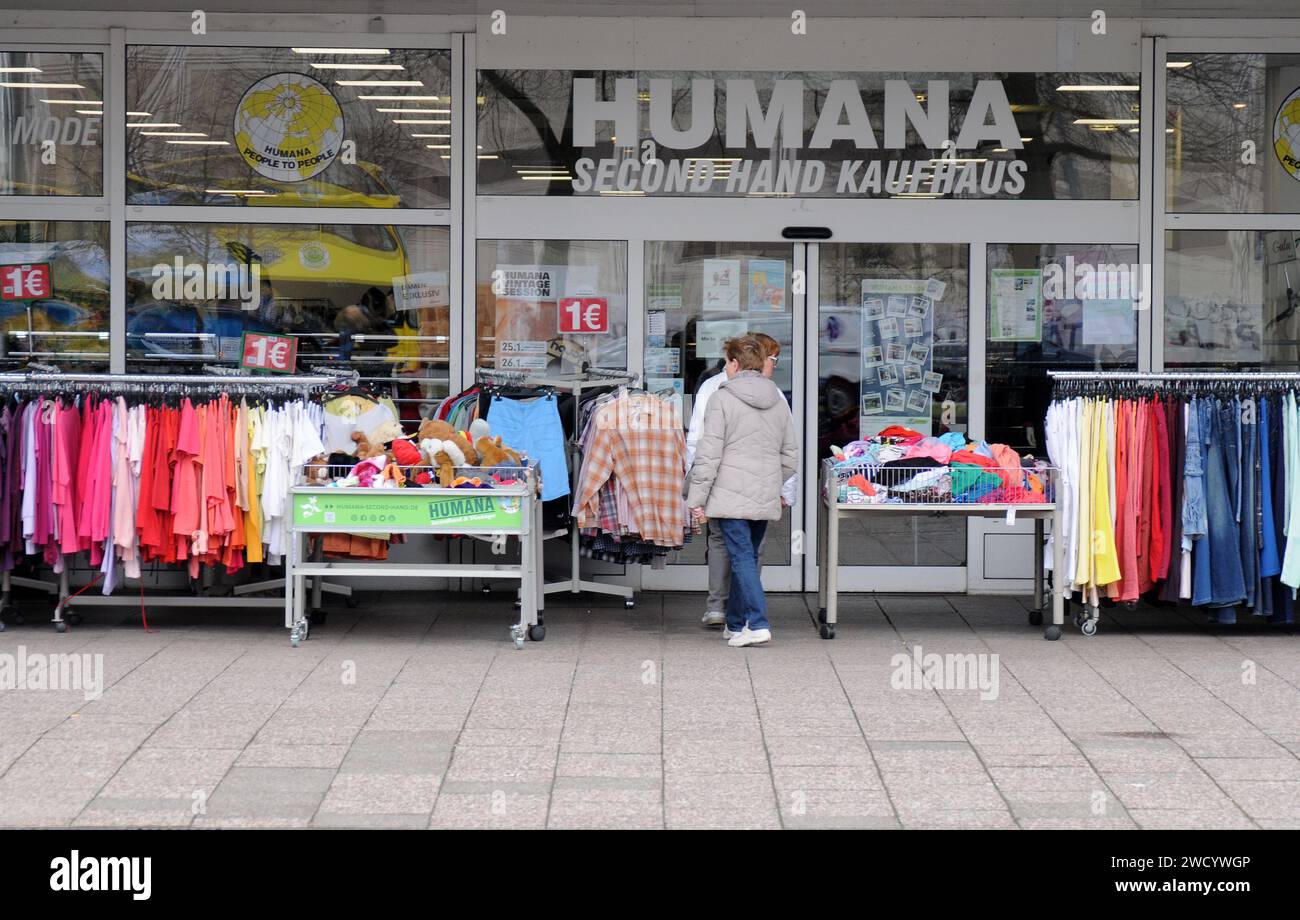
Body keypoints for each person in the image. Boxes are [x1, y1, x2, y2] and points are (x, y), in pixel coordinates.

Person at [686, 335, 798, 648]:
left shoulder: (721, 398)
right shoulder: (778, 398)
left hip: (728, 496)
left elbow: (708, 455)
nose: (725, 367)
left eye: (727, 362)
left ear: (735, 364)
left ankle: (757, 622)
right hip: (763, 495)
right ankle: (735, 625)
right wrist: (773, 482)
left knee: (741, 559)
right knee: (745, 556)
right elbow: (791, 455)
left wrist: (696, 498)